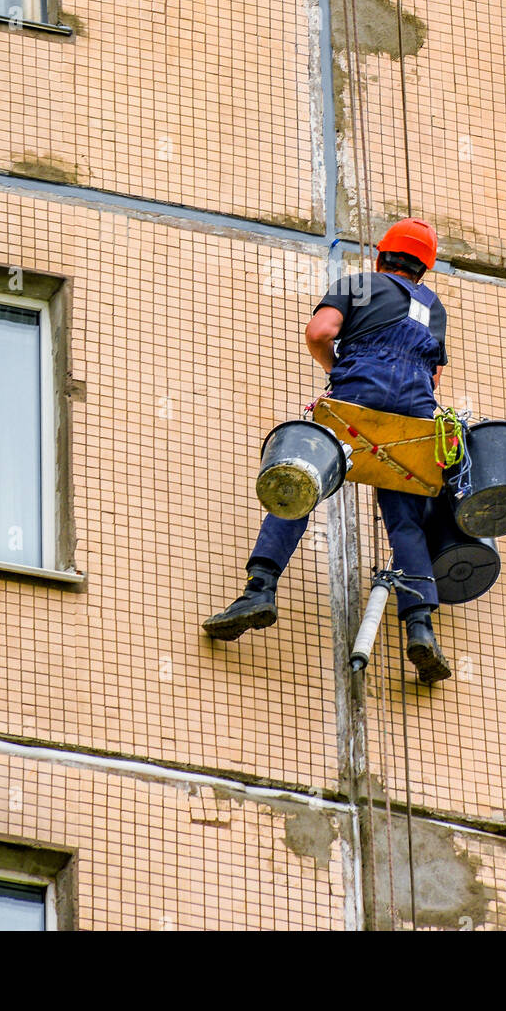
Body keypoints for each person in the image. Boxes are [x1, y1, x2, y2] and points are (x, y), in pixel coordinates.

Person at [204, 218, 453, 683]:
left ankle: (259, 590)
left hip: (354, 404)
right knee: (406, 522)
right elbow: (434, 377)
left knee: (301, 480)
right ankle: (420, 627)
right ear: (424, 270)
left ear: (382, 257)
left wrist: (338, 372)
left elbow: (320, 332)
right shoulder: (434, 307)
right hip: (410, 423)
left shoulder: (359, 284)